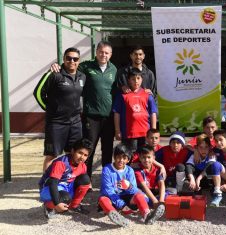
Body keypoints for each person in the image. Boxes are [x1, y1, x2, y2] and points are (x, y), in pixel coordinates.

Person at [47, 41, 117, 179]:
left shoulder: (114, 69)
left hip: (108, 117)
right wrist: (57, 66)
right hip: (91, 116)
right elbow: (70, 67)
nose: (104, 55)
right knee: (88, 149)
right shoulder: (86, 66)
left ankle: (106, 179)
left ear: (111, 54)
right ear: (96, 52)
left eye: (107, 52)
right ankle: (85, 179)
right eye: (101, 52)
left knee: (107, 150)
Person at [34, 47, 86, 171]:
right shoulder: (54, 74)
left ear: (79, 61)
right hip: (56, 123)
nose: (72, 61)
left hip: (75, 123)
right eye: (69, 58)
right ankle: (46, 185)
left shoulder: (82, 76)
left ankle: (68, 182)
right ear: (64, 59)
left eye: (75, 59)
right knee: (52, 155)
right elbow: (38, 93)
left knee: (74, 154)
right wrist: (51, 109)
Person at [98, 143, 164, 227]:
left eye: (124, 158)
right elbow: (107, 190)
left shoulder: (129, 170)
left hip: (127, 197)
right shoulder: (107, 169)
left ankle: (147, 215)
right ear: (114, 157)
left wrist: (129, 186)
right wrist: (121, 205)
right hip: (112, 198)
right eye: (118, 157)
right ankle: (116, 216)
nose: (121, 160)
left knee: (139, 195)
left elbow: (134, 189)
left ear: (128, 160)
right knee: (102, 199)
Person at [38, 139, 92, 219]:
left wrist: (86, 187)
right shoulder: (61, 163)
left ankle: (74, 206)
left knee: (86, 179)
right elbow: (53, 183)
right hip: (48, 187)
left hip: (65, 186)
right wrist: (57, 203)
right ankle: (48, 207)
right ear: (73, 151)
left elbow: (84, 181)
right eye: (80, 153)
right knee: (65, 198)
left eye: (85, 155)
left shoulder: (82, 165)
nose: (82, 157)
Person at [113, 68, 158, 152]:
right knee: (130, 158)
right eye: (133, 79)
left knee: (144, 157)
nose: (136, 81)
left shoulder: (147, 94)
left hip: (145, 134)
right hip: (129, 134)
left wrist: (153, 131)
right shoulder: (123, 95)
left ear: (142, 79)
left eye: (138, 78)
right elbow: (117, 113)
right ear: (129, 80)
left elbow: (153, 113)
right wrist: (117, 130)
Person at [184, 134, 225, 207]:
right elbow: (188, 166)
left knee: (212, 168)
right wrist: (192, 179)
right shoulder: (195, 155)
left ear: (210, 147)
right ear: (196, 148)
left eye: (206, 147)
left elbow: (209, 167)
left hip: (208, 181)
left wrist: (199, 178)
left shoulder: (211, 155)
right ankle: (196, 190)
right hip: (198, 181)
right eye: (201, 147)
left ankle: (215, 193)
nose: (203, 150)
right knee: (191, 173)